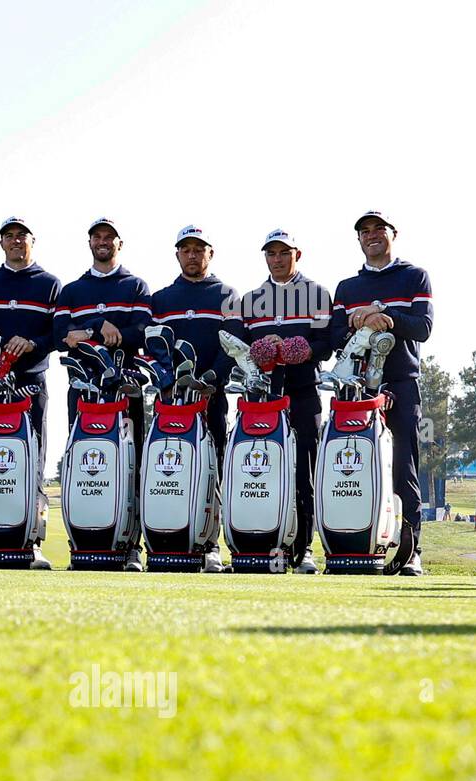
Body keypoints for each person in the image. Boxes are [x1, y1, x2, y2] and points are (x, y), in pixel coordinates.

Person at [330, 211, 432, 577]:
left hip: (401, 383)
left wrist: (383, 314)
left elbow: (423, 328)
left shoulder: (413, 276)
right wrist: (357, 320)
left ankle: (411, 549)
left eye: (379, 229)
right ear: (359, 240)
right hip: (353, 389)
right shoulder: (346, 288)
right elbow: (331, 340)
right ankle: (350, 548)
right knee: (351, 467)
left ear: (393, 234)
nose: (372, 236)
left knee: (403, 467)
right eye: (365, 231)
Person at [54, 217, 153, 571]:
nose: (103, 242)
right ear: (89, 242)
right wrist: (98, 326)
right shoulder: (72, 290)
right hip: (83, 389)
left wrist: (91, 332)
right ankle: (82, 545)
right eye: (97, 236)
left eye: (109, 237)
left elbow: (142, 331)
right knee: (85, 465)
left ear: (119, 244)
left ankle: (131, 547)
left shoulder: (136, 286)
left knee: (133, 465)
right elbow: (58, 335)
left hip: (126, 388)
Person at [0, 216, 60, 570]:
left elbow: (59, 333)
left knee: (34, 463)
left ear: (32, 241)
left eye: (23, 236)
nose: (16, 241)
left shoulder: (51, 285)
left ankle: (33, 543)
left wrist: (33, 342)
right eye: (9, 236)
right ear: (1, 243)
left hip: (31, 385)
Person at [149, 225, 243, 573]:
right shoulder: (161, 299)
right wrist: (166, 380)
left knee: (212, 467)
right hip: (170, 399)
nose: (192, 254)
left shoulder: (227, 295)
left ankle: (210, 544)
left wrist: (213, 379)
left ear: (210, 253)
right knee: (167, 468)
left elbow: (233, 346)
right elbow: (152, 346)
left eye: (198, 249)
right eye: (185, 249)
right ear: (177, 254)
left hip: (210, 398)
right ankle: (164, 539)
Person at [239, 229, 334, 574]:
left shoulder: (318, 295)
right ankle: (269, 545)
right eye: (271, 254)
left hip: (304, 393)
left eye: (283, 253)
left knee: (303, 471)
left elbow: (328, 342)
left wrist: (306, 349)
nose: (277, 259)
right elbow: (239, 347)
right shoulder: (249, 300)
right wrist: (258, 351)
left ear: (298, 254)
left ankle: (304, 548)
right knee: (264, 472)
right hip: (263, 397)